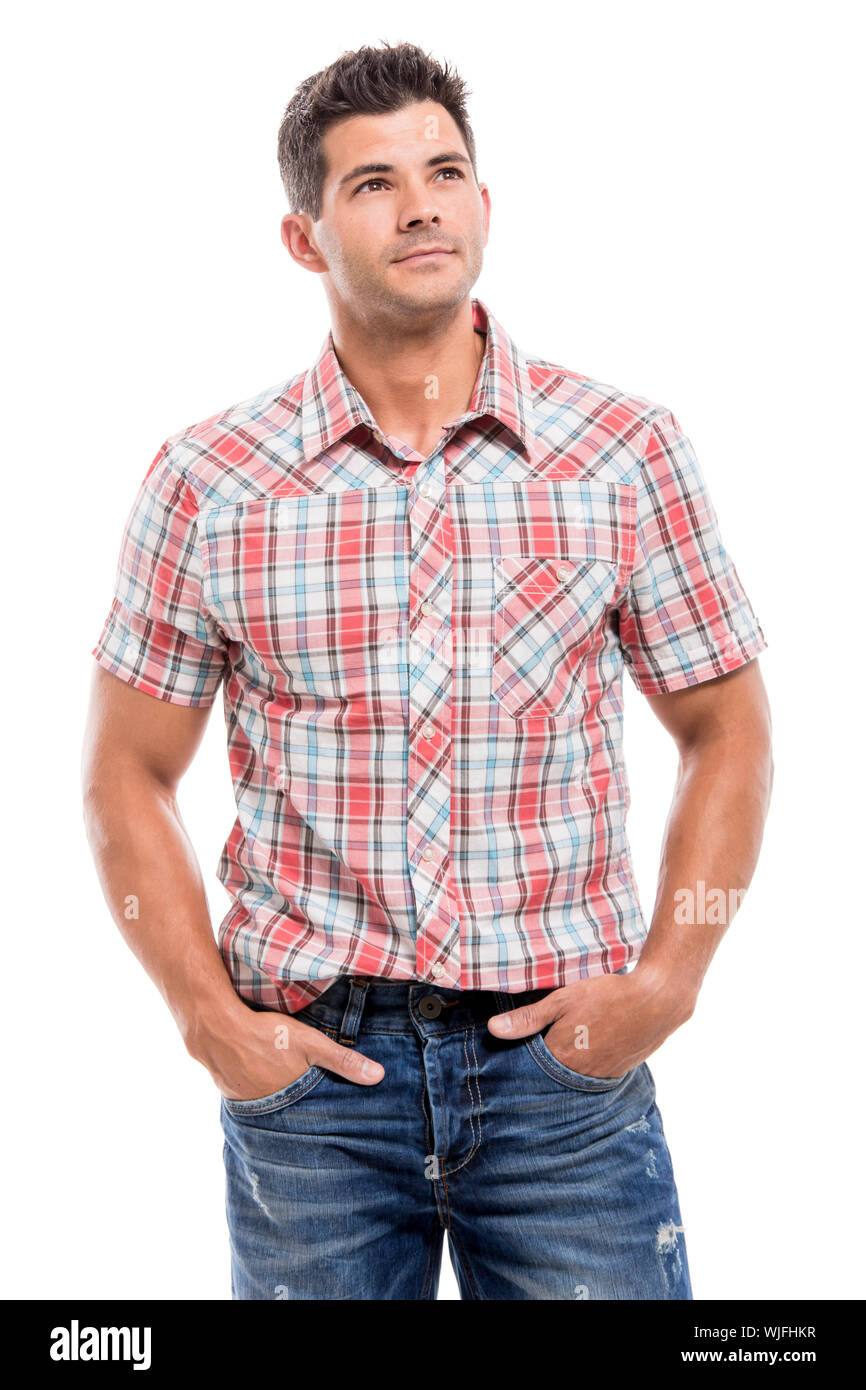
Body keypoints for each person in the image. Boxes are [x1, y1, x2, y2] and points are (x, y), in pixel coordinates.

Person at [81, 40, 773, 1301]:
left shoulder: (620, 452)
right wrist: (206, 1020)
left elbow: (725, 725)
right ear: (303, 238)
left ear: (485, 205)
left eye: (445, 170)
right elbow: (125, 772)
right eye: (372, 183)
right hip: (315, 1082)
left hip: (559, 1070)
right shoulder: (209, 481)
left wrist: (669, 980)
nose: (420, 205)